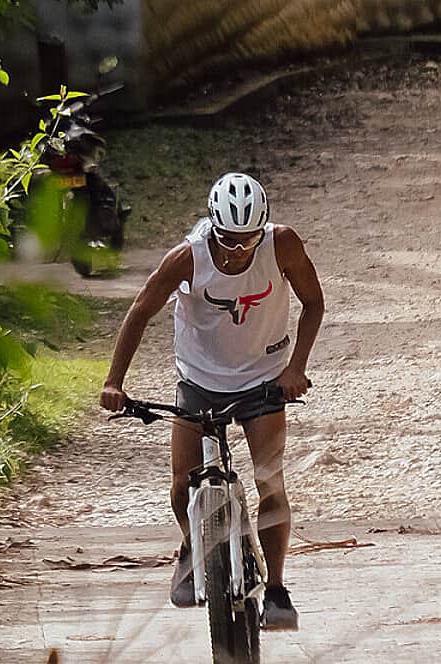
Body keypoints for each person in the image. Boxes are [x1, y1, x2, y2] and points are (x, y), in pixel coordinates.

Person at [99, 172, 324, 631]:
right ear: (213, 227)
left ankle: (277, 589)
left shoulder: (282, 245)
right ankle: (191, 546)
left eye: (248, 241)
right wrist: (114, 381)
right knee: (182, 483)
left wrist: (295, 367)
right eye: (229, 240)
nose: (238, 251)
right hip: (199, 378)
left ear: (261, 230)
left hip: (263, 378)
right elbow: (141, 311)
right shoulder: (187, 258)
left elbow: (313, 302)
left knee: (270, 481)